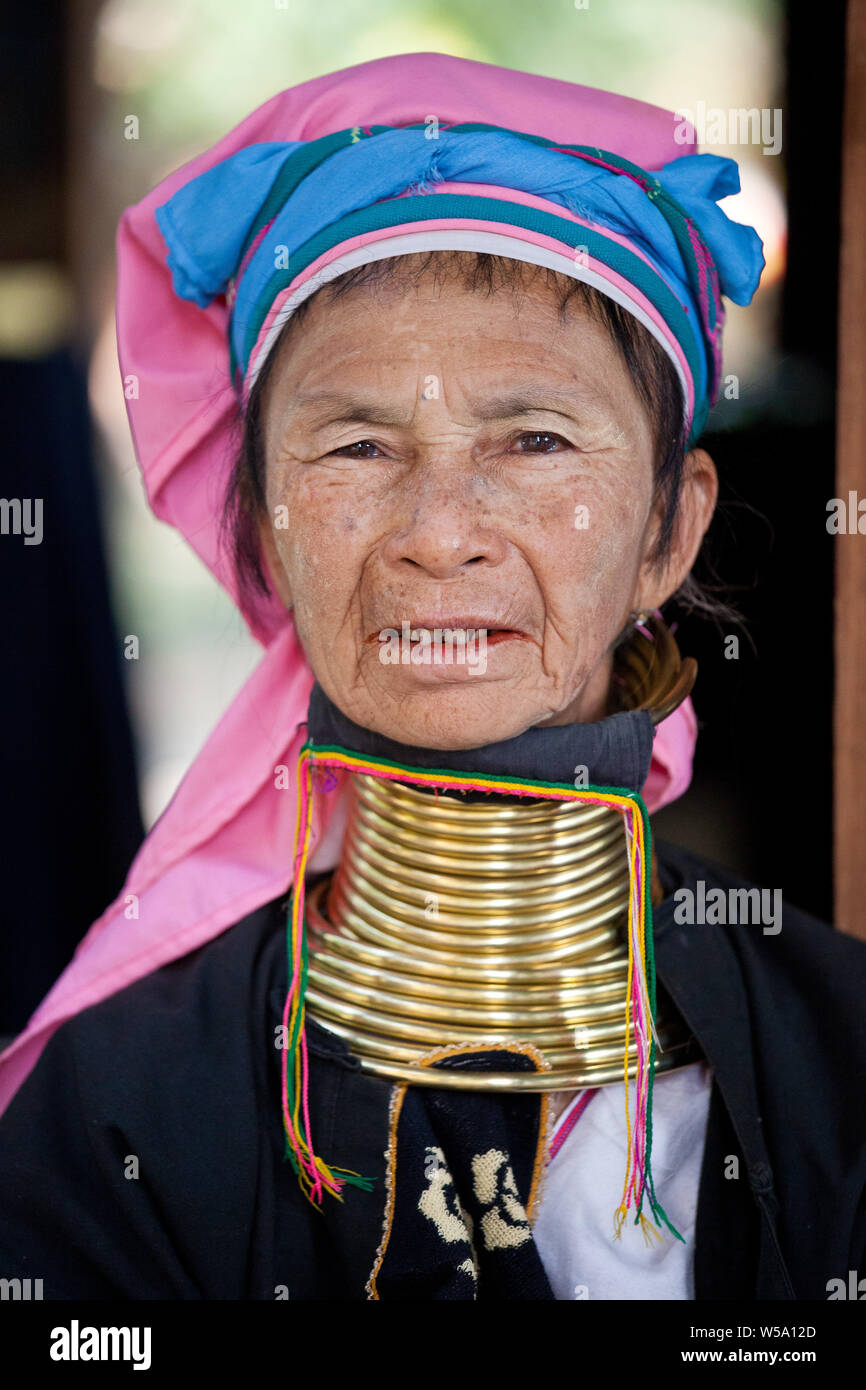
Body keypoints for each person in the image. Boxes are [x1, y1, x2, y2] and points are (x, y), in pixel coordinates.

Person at [0, 51, 864, 1302]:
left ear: (668, 533)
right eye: (356, 445)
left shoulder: (834, 1059)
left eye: (534, 440)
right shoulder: (122, 1109)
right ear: (258, 526)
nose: (437, 529)